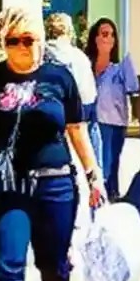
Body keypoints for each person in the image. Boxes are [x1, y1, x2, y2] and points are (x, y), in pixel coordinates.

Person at [0, 7, 104, 281]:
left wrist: (93, 174)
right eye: (14, 41)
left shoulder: (60, 77)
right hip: (9, 187)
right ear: (3, 43)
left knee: (53, 263)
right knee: (8, 264)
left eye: (29, 40)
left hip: (55, 185)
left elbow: (76, 130)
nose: (23, 48)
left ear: (42, 40)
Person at [86, 17, 138, 200]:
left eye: (112, 35)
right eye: (104, 34)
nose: (108, 39)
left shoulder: (120, 66)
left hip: (115, 121)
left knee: (111, 162)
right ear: (95, 38)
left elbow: (134, 89)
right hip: (92, 121)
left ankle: (111, 195)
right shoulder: (87, 66)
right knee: (97, 162)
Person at [43, 13, 99, 174]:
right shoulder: (79, 58)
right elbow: (89, 95)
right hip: (77, 117)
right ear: (69, 31)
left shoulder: (39, 55)